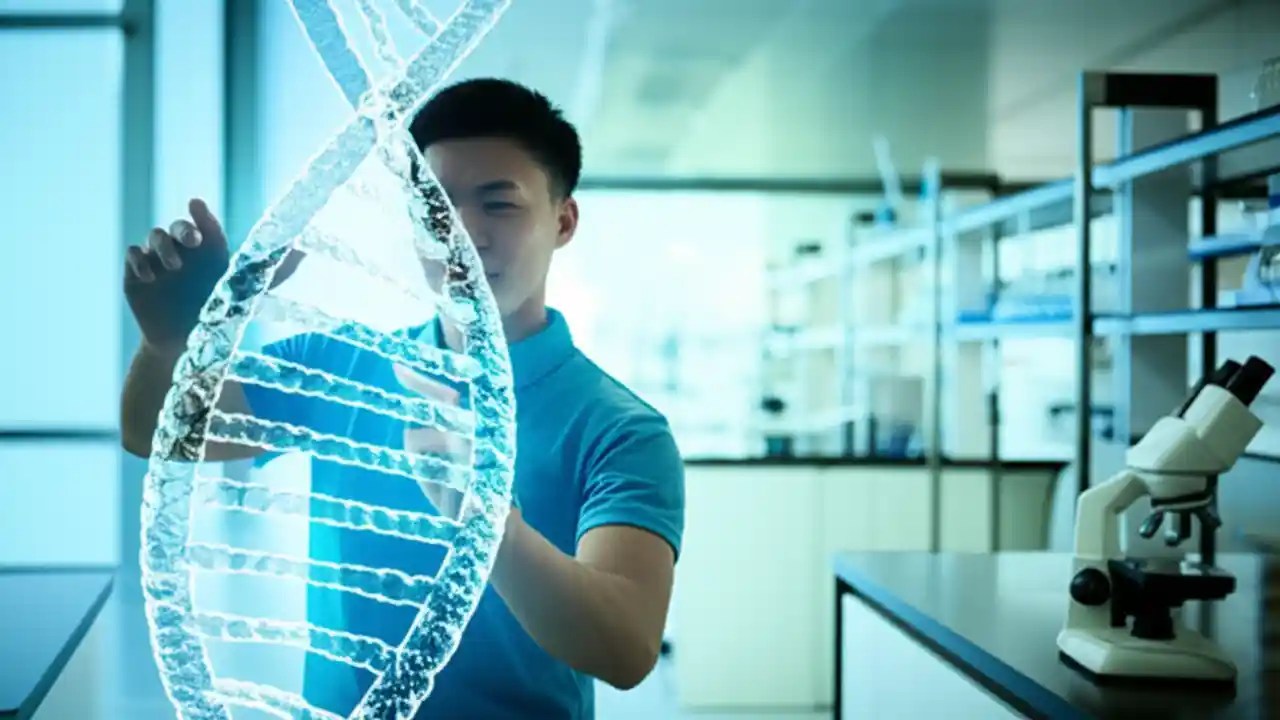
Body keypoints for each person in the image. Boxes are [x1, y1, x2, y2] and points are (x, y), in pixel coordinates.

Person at [120, 77, 686, 719]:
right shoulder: (341, 365)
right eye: (436, 208)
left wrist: (489, 525)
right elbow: (154, 433)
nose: (462, 235)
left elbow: (625, 649)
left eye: (499, 205)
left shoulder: (620, 428)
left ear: (564, 220)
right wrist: (173, 339)